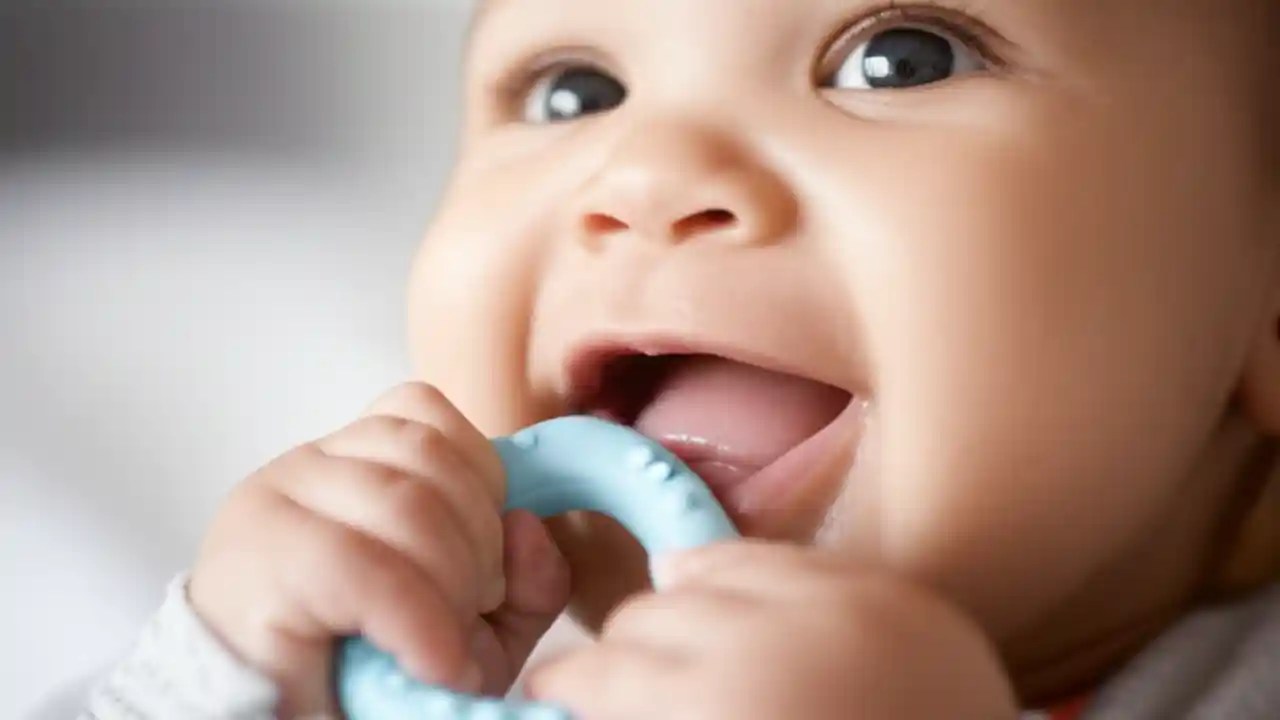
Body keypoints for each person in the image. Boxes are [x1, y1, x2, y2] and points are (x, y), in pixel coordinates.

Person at [80, 0, 1280, 717]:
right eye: (572, 91)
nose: (648, 173)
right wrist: (231, 673)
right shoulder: (460, 662)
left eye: (898, 58)